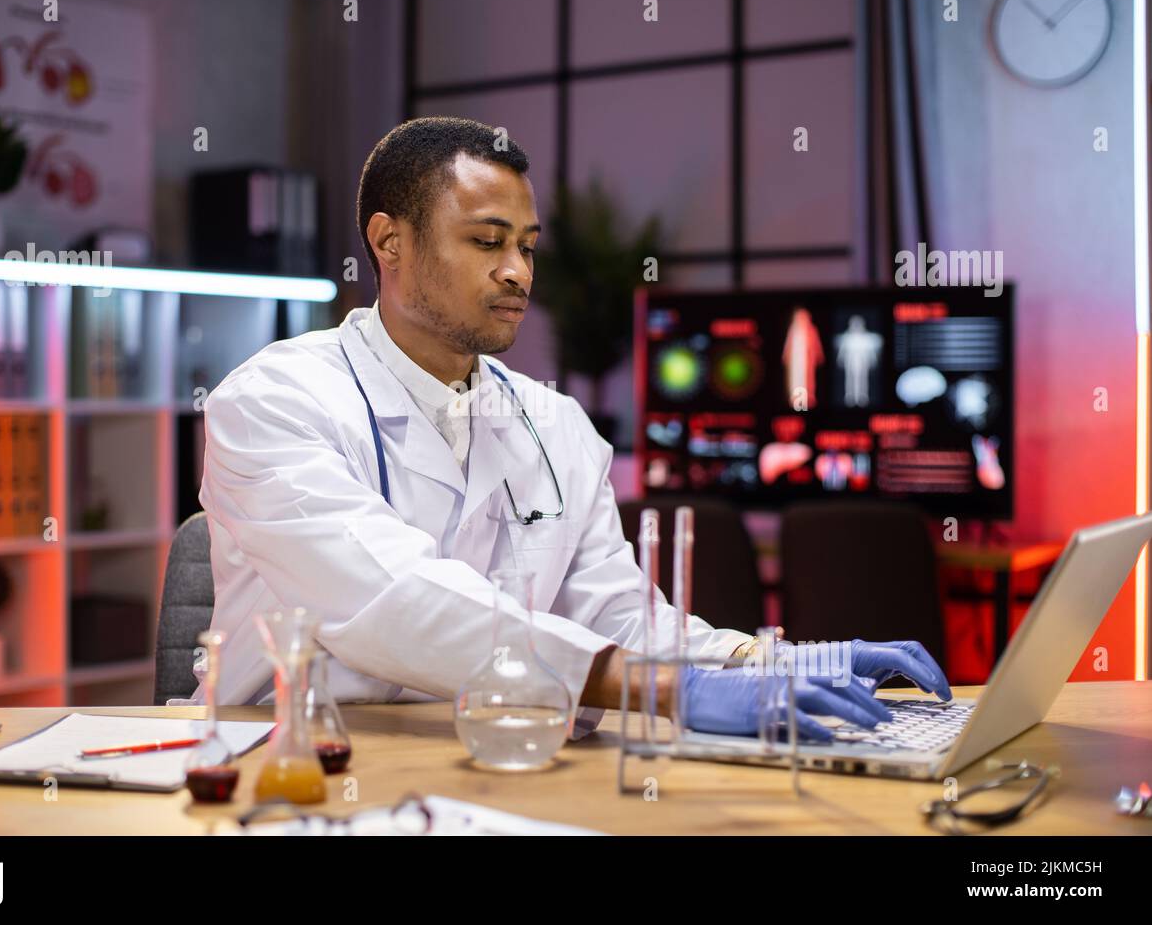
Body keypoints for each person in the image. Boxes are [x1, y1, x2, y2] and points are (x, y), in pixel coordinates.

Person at [191, 116, 951, 740]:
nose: (519, 272)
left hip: (494, 758)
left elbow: (619, 615)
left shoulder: (554, 424)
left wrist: (767, 662)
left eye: (527, 247)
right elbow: (397, 602)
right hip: (293, 770)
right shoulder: (272, 403)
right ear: (390, 242)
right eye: (487, 243)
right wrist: (658, 691)